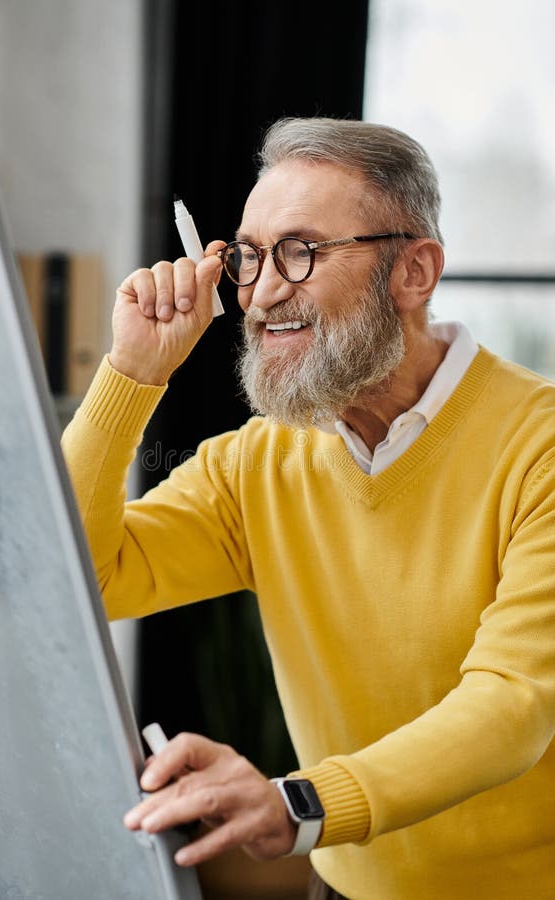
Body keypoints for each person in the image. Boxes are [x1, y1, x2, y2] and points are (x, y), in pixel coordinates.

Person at [61, 117, 555, 900]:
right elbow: (78, 580)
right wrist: (131, 374)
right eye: (249, 257)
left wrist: (299, 804)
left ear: (414, 272)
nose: (259, 293)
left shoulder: (541, 447)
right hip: (342, 886)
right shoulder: (257, 462)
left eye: (302, 251)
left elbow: (514, 706)